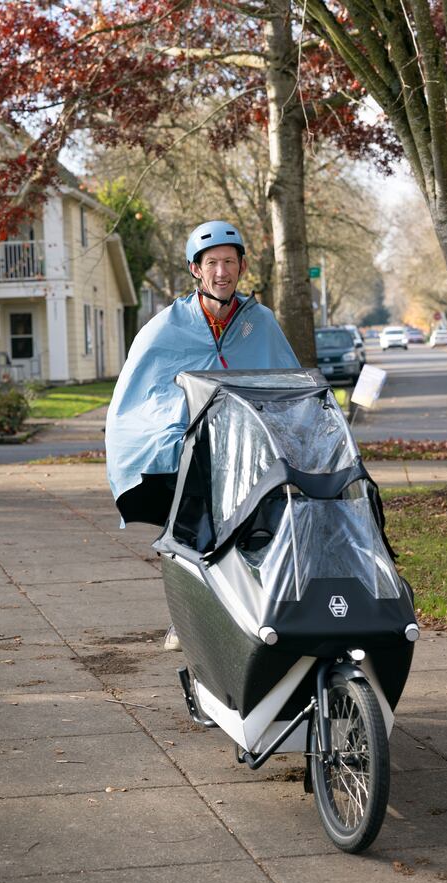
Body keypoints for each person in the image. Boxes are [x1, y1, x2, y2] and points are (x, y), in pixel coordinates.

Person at [104, 220, 299, 648]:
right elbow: (140, 400)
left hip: (249, 453)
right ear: (196, 269)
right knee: (195, 531)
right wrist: (172, 441)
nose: (221, 272)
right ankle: (187, 621)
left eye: (229, 262)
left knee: (268, 529)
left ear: (242, 266)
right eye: (211, 263)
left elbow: (287, 386)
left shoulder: (260, 324)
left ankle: (259, 613)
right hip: (191, 454)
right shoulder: (166, 328)